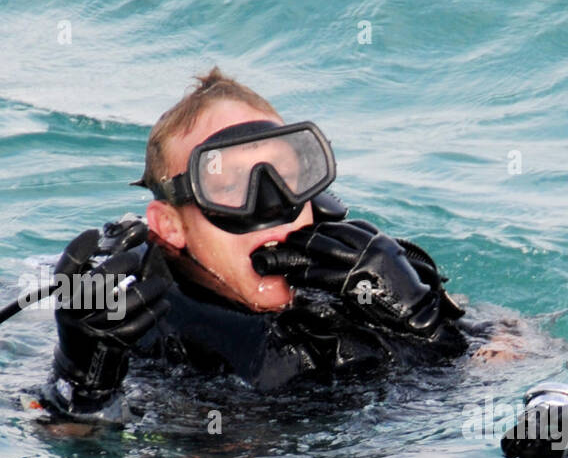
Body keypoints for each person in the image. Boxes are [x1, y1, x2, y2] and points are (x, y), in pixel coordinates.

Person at [39, 68, 494, 426]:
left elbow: (515, 365)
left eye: (286, 175)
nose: (273, 205)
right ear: (171, 226)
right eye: (231, 184)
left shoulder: (361, 279)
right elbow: (67, 457)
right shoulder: (130, 325)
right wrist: (81, 382)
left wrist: (425, 323)